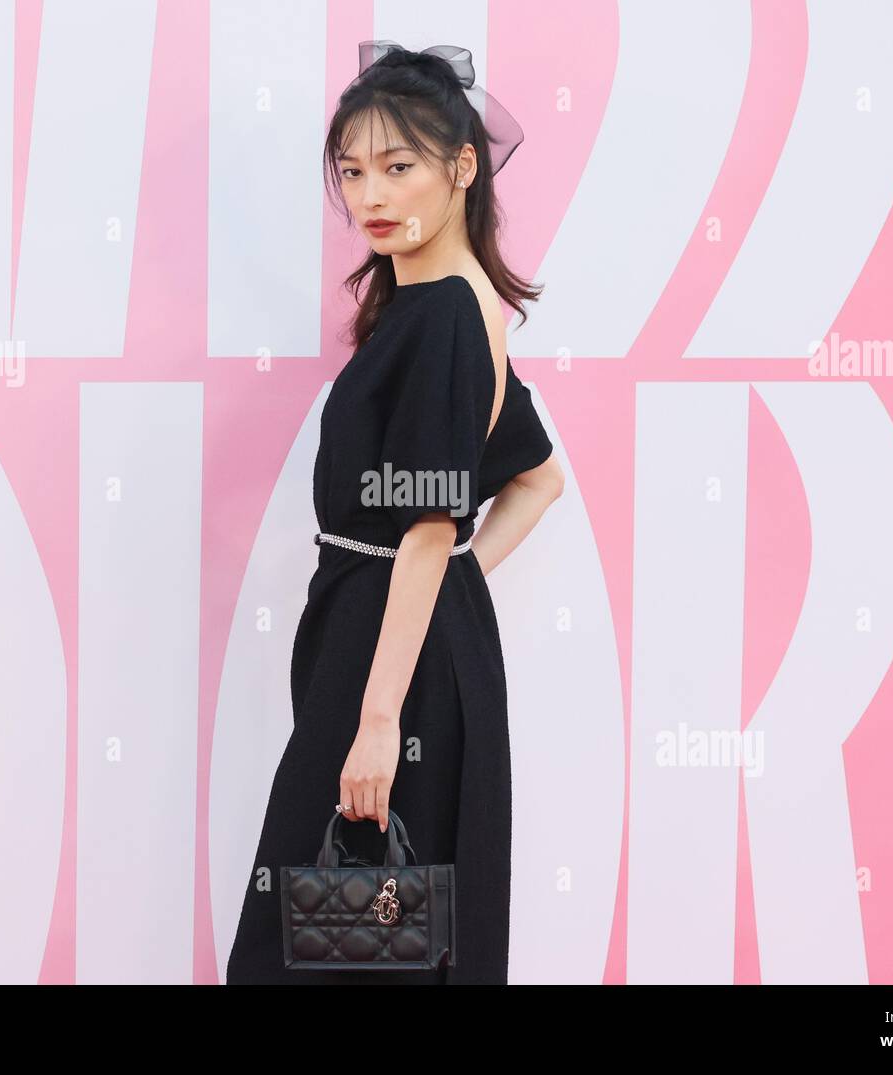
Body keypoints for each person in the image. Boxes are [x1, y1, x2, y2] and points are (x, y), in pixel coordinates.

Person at [225, 40, 564, 985]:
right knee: (377, 931)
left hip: (393, 669)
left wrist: (380, 718)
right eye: (353, 170)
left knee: (326, 931)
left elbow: (426, 528)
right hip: (402, 636)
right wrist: (454, 586)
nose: (371, 193)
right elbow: (537, 479)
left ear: (463, 169)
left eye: (399, 166)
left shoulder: (445, 315)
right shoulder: (453, 308)